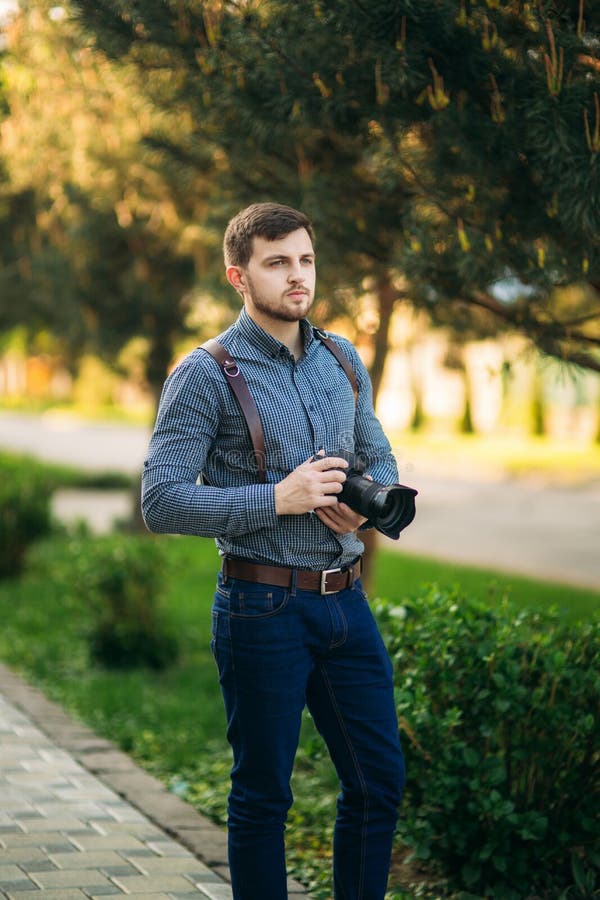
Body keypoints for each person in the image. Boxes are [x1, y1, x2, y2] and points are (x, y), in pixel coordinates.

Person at [142, 202, 405, 900]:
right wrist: (277, 499)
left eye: (306, 260)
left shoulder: (341, 357)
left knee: (380, 784)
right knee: (264, 796)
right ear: (239, 274)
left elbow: (376, 449)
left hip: (347, 603)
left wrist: (369, 493)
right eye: (278, 262)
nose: (298, 276)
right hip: (261, 607)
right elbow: (160, 499)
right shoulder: (203, 374)